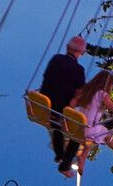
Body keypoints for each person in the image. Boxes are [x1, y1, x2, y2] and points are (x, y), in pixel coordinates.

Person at [37, 36, 89, 174]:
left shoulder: (55, 59)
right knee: (78, 134)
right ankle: (65, 166)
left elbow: (46, 77)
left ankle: (60, 155)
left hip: (45, 104)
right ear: (81, 52)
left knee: (57, 125)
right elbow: (80, 92)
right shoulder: (78, 70)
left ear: (67, 48)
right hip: (61, 110)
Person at [66, 67, 113, 174]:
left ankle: (83, 157)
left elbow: (71, 104)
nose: (111, 89)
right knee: (103, 131)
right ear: (107, 85)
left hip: (73, 126)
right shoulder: (102, 94)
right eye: (111, 86)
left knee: (93, 134)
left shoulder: (85, 90)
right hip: (86, 130)